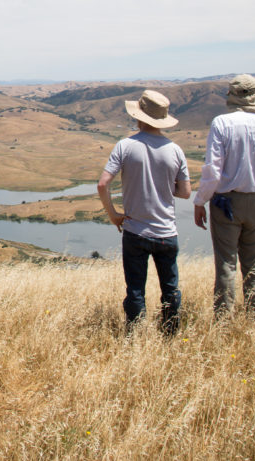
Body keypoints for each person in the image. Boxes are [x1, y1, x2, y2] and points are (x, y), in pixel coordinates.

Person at [193, 74, 255, 324]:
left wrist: (200, 200)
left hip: (226, 202)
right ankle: (254, 322)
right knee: (254, 265)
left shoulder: (222, 123)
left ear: (231, 96)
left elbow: (212, 170)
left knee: (226, 265)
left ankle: (224, 324)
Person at [98, 90, 191, 334]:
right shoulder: (175, 150)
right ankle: (170, 334)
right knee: (170, 289)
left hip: (135, 231)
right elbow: (185, 193)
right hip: (166, 232)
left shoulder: (126, 146)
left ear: (138, 116)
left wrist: (114, 215)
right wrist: (163, 183)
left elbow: (102, 184)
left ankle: (135, 338)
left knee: (136, 290)